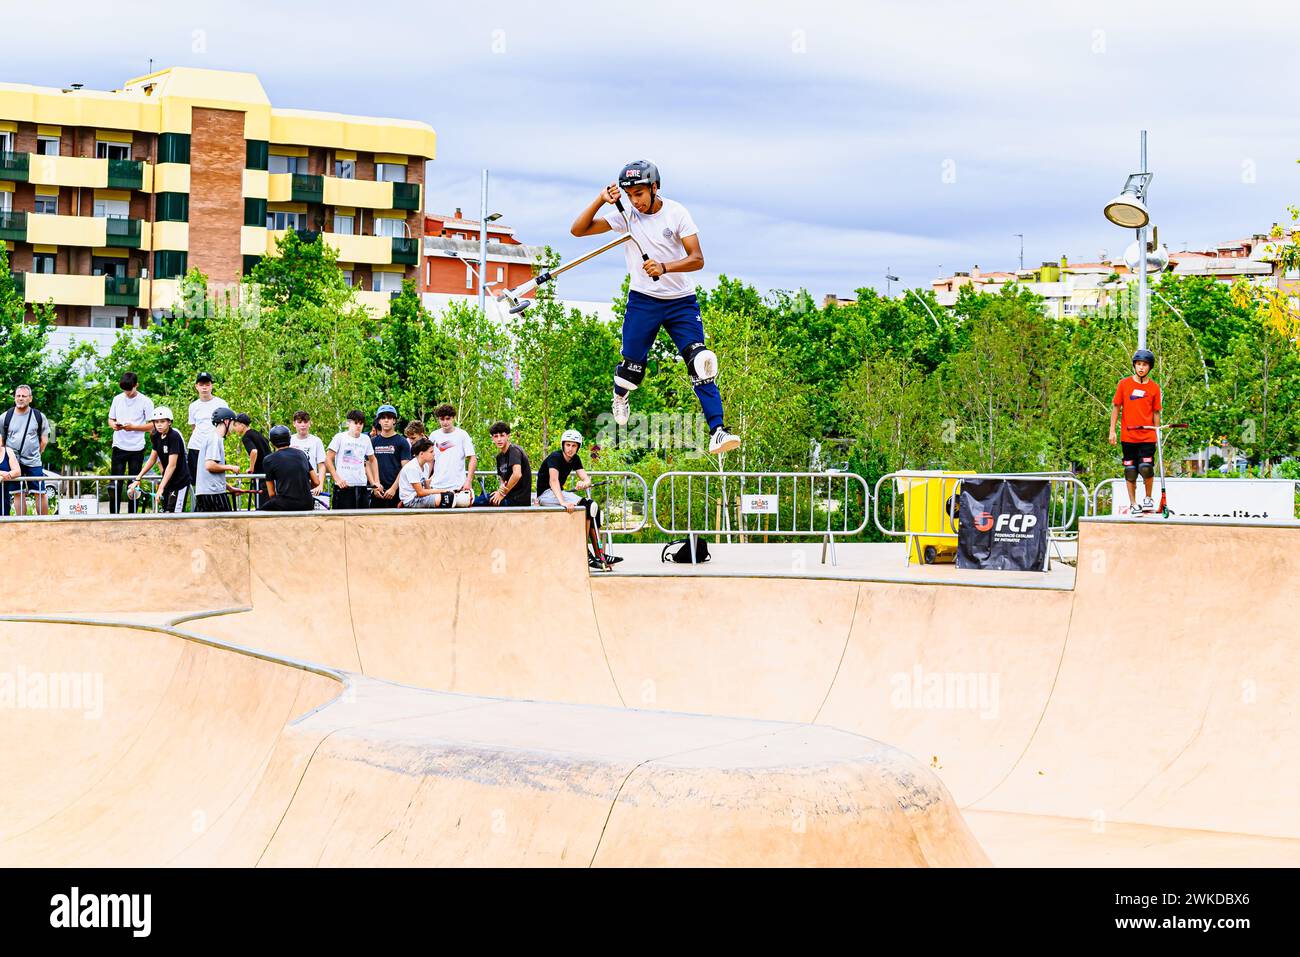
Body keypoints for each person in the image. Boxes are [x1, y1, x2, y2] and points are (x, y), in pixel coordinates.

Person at [570, 160, 740, 456]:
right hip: (643, 301)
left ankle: (717, 431)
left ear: (654, 187)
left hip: (681, 303)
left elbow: (697, 258)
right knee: (631, 371)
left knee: (700, 362)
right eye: (630, 195)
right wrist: (600, 199)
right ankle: (620, 394)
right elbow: (578, 230)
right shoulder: (626, 217)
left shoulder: (677, 213)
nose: (635, 200)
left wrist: (665, 266)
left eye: (639, 193)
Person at [536, 428, 621, 568]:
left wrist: (584, 483)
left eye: (574, 445)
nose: (570, 449)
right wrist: (563, 502)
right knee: (587, 506)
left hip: (557, 493)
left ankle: (600, 555)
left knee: (594, 508)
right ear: (563, 445)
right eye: (568, 445)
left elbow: (586, 478)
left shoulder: (575, 459)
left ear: (578, 447)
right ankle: (585, 553)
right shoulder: (555, 457)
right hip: (546, 494)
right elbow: (553, 481)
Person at [1110, 348, 1163, 514]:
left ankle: (1148, 498)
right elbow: (1116, 407)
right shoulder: (1124, 384)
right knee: (1130, 470)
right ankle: (1133, 503)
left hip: (1147, 435)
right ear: (1134, 366)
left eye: (1145, 365)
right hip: (1128, 435)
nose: (1141, 368)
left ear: (1149, 367)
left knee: (1146, 467)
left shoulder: (1154, 388)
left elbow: (1156, 412)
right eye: (1138, 364)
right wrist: (1112, 430)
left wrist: (1157, 433)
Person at [107, 372, 155, 514]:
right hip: (119, 445)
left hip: (136, 447)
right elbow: (110, 419)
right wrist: (114, 425)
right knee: (115, 484)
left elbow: (152, 425)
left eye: (130, 389)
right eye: (124, 390)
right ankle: (113, 515)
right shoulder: (117, 399)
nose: (127, 393)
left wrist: (133, 427)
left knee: (133, 484)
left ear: (136, 385)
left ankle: (132, 514)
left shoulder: (146, 401)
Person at [129, 407, 191, 513]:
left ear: (169, 422)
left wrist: (161, 487)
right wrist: (138, 478)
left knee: (174, 514)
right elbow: (152, 459)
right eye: (156, 422)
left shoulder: (174, 436)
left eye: (162, 421)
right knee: (164, 513)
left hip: (180, 482)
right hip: (167, 482)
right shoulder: (155, 435)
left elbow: (172, 465)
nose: (159, 424)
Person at [2, 385, 51, 516]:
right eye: (18, 396)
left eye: (24, 396)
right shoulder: (5, 416)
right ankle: (21, 523)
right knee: (18, 493)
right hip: (13, 463)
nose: (20, 398)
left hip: (33, 461)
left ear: (30, 398)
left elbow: (44, 440)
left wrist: (36, 454)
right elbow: (1, 441)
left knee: (40, 492)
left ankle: (44, 523)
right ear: (14, 398)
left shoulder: (39, 416)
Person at [186, 373, 229, 499]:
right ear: (196, 387)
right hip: (196, 446)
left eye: (207, 384)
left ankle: (216, 503)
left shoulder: (221, 403)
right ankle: (198, 506)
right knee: (196, 481)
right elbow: (193, 426)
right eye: (201, 384)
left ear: (212, 386)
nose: (204, 387)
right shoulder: (193, 406)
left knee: (215, 477)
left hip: (214, 447)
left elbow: (226, 425)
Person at [326, 410, 379, 510]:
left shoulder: (366, 439)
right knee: (342, 520)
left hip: (361, 486)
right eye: (355, 423)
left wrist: (376, 481)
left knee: (362, 521)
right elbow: (328, 458)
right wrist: (337, 479)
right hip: (344, 486)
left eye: (361, 423)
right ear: (348, 423)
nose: (358, 426)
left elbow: (373, 459)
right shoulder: (340, 437)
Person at [258, 425, 317, 512]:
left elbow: (271, 493)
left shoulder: (269, 459)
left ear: (272, 442)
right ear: (289, 439)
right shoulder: (301, 454)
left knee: (259, 512)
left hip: (285, 503)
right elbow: (316, 481)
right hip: (307, 503)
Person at [195, 407, 241, 513]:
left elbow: (210, 475)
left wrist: (229, 488)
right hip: (213, 494)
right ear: (226, 421)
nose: (234, 428)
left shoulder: (212, 437)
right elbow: (210, 466)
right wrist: (230, 467)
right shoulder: (215, 438)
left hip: (208, 492)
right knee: (226, 526)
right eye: (233, 424)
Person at [427, 404, 476, 501]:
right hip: (436, 487)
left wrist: (468, 481)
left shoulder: (462, 435)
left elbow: (472, 458)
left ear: (453, 418)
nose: (445, 422)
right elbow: (430, 460)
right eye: (442, 419)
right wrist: (426, 478)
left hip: (458, 487)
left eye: (448, 418)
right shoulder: (434, 435)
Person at [369, 404, 411, 508]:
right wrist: (374, 486)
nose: (386, 421)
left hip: (396, 492)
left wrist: (393, 488)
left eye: (389, 418)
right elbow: (368, 465)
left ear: (394, 421)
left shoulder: (402, 442)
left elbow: (405, 468)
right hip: (377, 492)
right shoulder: (372, 442)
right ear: (379, 421)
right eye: (383, 418)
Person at [485, 421, 532, 507]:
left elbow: (517, 474)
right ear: (492, 438)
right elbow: (502, 480)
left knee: (479, 501)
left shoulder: (514, 450)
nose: (499, 439)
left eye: (502, 435)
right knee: (485, 497)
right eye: (496, 436)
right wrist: (499, 492)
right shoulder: (499, 457)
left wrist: (502, 494)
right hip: (508, 497)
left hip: (518, 500)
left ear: (508, 436)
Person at [231, 413, 272, 507]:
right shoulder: (258, 434)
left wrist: (251, 468)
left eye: (235, 425)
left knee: (262, 503)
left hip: (261, 474)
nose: (234, 428)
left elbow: (254, 451)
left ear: (242, 425)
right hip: (269, 471)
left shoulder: (246, 437)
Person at [289, 410, 327, 497]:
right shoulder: (289, 440)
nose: (303, 425)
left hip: (312, 483)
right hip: (292, 484)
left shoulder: (316, 441)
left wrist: (320, 485)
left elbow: (321, 465)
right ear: (294, 423)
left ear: (310, 423)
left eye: (305, 422)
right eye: (299, 422)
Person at [397, 438, 441, 508]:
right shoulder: (412, 467)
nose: (434, 454)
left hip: (418, 497)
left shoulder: (425, 465)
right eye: (431, 452)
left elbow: (426, 489)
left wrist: (428, 484)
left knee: (446, 496)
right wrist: (441, 491)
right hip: (412, 500)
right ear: (421, 454)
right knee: (444, 498)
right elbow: (420, 492)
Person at [0, 433, 22, 517]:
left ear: (1, 442)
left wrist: (5, 476)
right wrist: (3, 473)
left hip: (3, 496)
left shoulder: (8, 451)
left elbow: (17, 471)